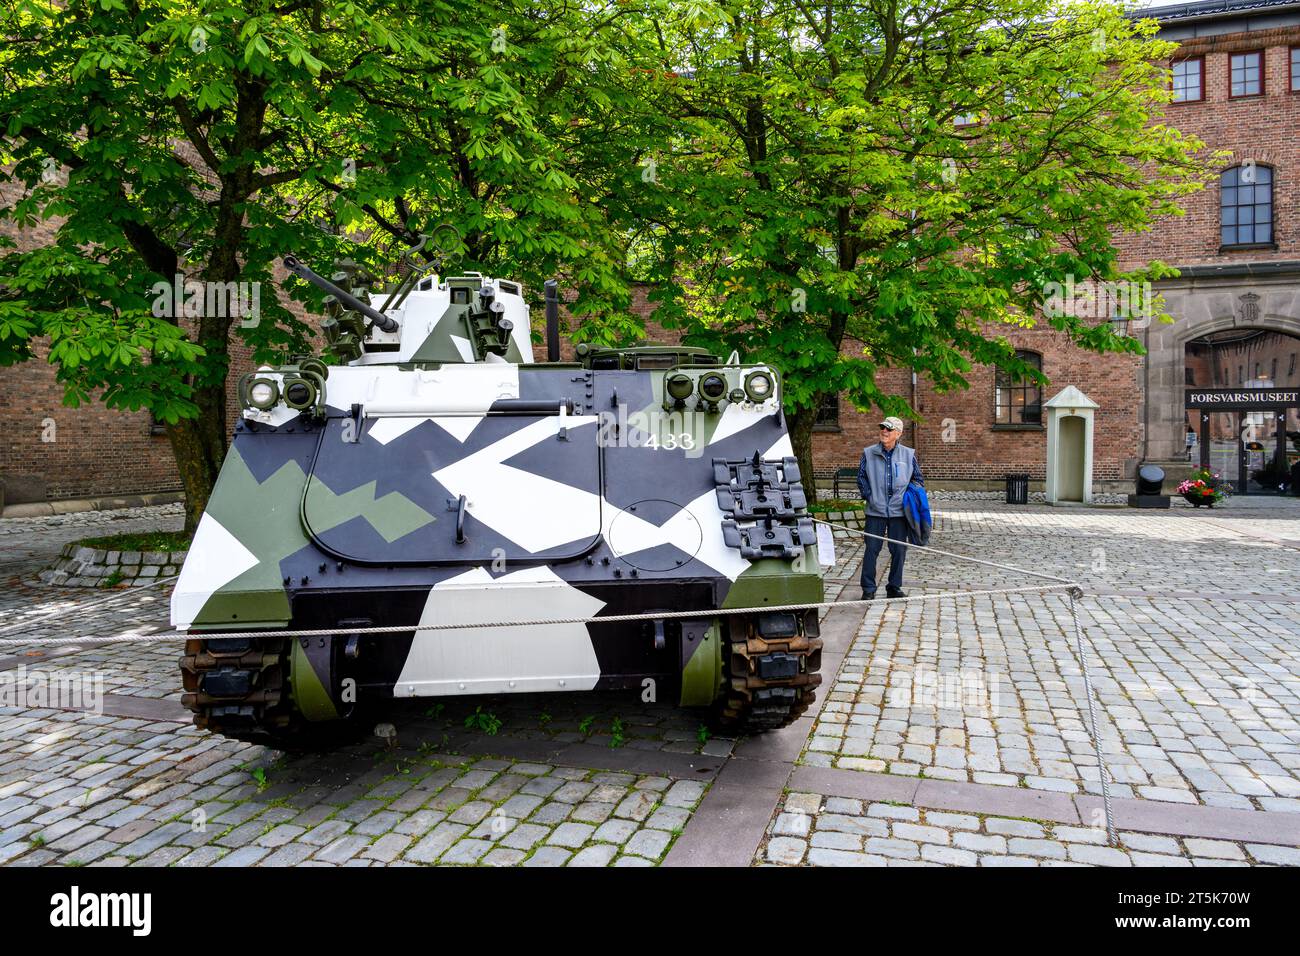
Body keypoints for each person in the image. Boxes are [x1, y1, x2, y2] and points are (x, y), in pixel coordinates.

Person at [857, 416, 923, 600]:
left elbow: (917, 480)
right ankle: (868, 589)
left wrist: (907, 498)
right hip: (875, 511)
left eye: (889, 429)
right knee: (871, 549)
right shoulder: (868, 453)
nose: (884, 431)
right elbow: (861, 477)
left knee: (899, 551)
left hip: (899, 512)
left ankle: (894, 587)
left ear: (898, 434)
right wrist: (869, 495)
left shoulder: (908, 455)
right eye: (882, 428)